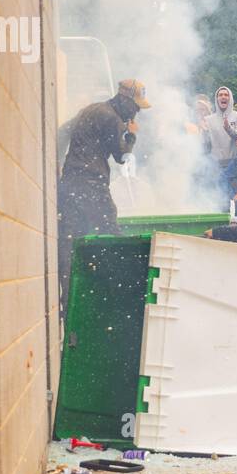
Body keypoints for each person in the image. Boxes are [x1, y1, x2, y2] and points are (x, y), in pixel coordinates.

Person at [57, 79, 150, 310]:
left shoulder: (91, 109)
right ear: (126, 100)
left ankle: (69, 303)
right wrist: (131, 135)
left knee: (71, 240)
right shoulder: (112, 119)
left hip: (70, 181)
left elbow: (62, 132)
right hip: (91, 182)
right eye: (136, 106)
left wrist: (57, 164)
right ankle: (119, 295)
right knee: (111, 232)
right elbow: (121, 156)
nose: (137, 111)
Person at [207, 86, 237, 187]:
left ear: (231, 99)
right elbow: (204, 143)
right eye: (220, 95)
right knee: (216, 197)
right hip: (214, 165)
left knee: (234, 196)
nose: (223, 97)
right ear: (216, 99)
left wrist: (228, 128)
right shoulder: (208, 119)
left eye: (226, 95)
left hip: (234, 164)